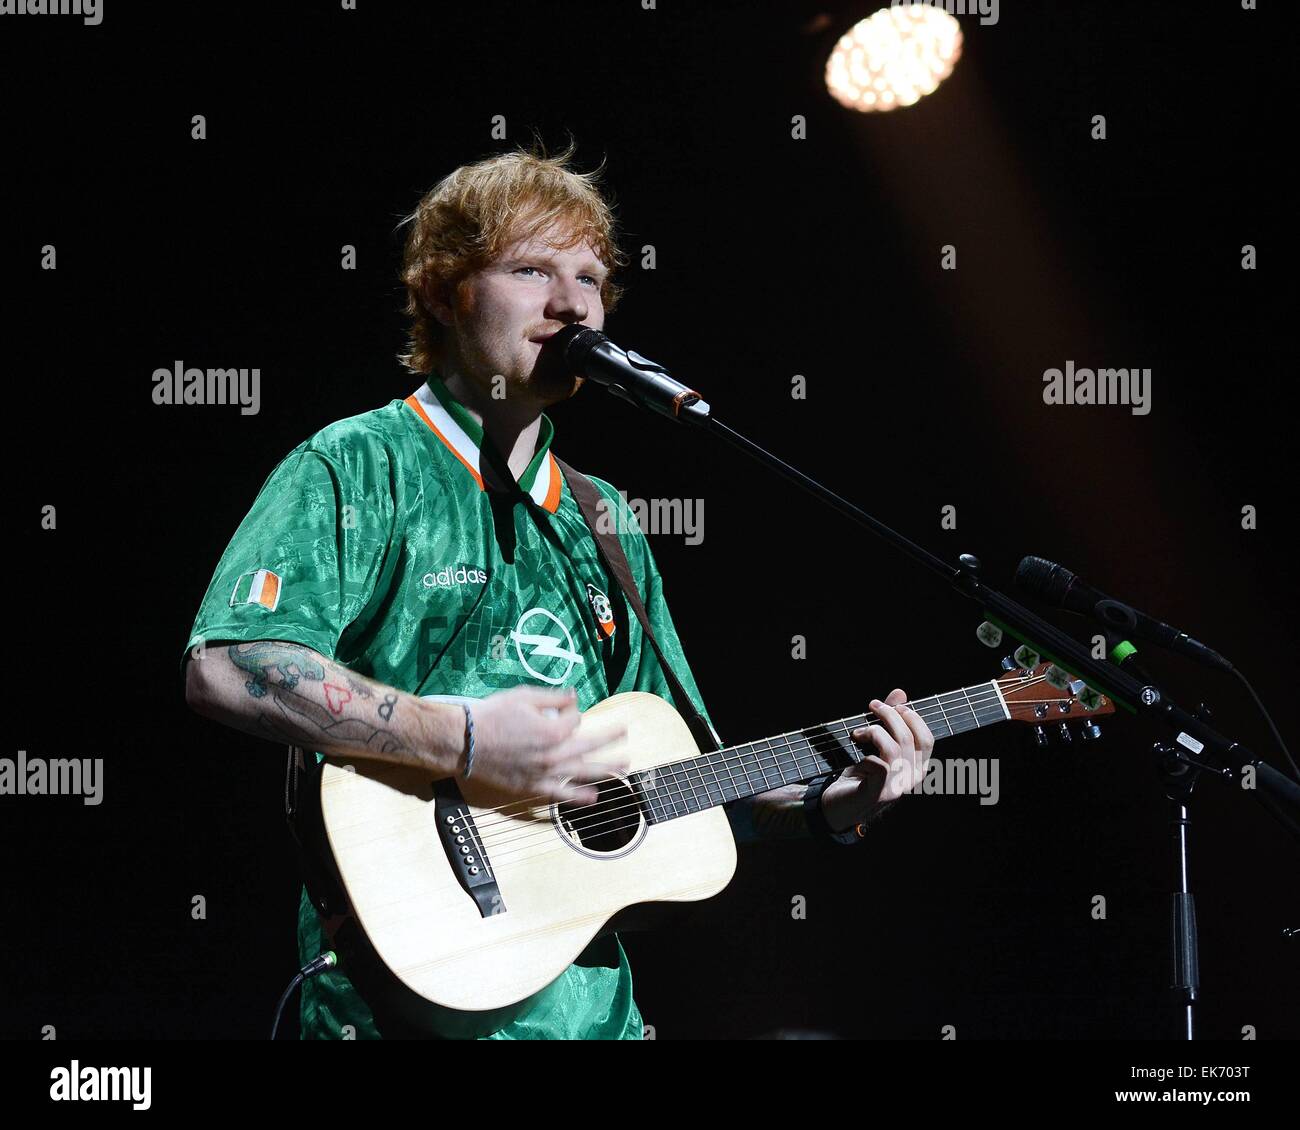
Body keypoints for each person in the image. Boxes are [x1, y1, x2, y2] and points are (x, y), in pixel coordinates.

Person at [181, 141, 933, 1040]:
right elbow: (230, 666)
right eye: (532, 269)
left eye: (591, 277)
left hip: (595, 1017)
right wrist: (463, 740)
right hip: (395, 1013)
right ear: (442, 291)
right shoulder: (356, 465)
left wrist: (834, 807)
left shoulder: (604, 515)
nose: (575, 304)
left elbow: (681, 777)